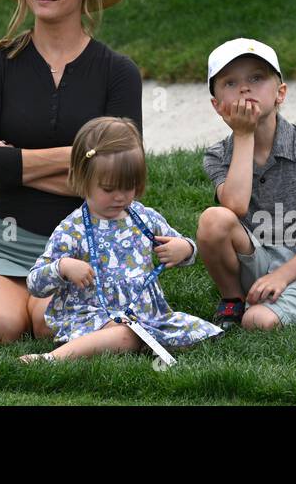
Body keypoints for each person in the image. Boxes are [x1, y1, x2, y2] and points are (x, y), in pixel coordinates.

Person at [0, 0, 142, 344]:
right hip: (4, 240)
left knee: (48, 326)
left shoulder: (118, 72)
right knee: (4, 327)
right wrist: (83, 161)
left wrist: (15, 159)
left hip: (82, 243)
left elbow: (123, 172)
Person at [21, 116, 221, 363]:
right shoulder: (71, 229)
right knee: (125, 336)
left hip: (148, 315)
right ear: (83, 179)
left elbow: (184, 247)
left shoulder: (144, 217)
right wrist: (62, 267)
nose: (120, 197)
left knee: (202, 334)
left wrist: (184, 249)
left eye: (129, 187)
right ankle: (51, 359)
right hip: (93, 316)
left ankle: (138, 342)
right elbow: (35, 283)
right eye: (108, 188)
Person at [196, 39, 296, 330]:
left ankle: (259, 306)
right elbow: (235, 206)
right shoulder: (217, 155)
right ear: (217, 105)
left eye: (257, 78)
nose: (244, 88)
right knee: (213, 219)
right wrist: (243, 136)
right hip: (256, 255)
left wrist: (283, 276)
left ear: (280, 93)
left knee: (258, 321)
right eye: (230, 82)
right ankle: (233, 299)